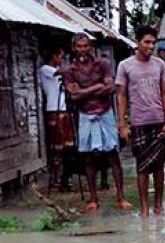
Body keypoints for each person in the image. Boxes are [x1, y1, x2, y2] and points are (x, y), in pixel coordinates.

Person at [64, 32, 130, 212]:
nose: (83, 50)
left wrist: (85, 90)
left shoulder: (102, 64)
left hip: (105, 112)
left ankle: (121, 197)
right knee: (89, 157)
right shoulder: (71, 71)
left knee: (113, 154)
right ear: (74, 49)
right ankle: (93, 198)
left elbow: (109, 87)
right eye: (79, 47)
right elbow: (74, 95)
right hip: (85, 115)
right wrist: (96, 87)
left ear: (90, 47)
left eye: (85, 46)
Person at [117, 25, 165, 217]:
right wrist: (122, 125)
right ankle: (144, 208)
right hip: (138, 123)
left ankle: (158, 204)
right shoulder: (125, 66)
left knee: (159, 166)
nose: (150, 46)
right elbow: (121, 96)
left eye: (153, 43)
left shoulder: (160, 65)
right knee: (142, 166)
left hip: (159, 121)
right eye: (147, 42)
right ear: (137, 42)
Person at [38, 46, 74, 192]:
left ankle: (66, 178)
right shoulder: (45, 69)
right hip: (54, 110)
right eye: (60, 57)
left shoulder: (59, 72)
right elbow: (62, 72)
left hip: (64, 109)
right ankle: (56, 179)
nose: (61, 60)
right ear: (53, 56)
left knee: (68, 147)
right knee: (56, 148)